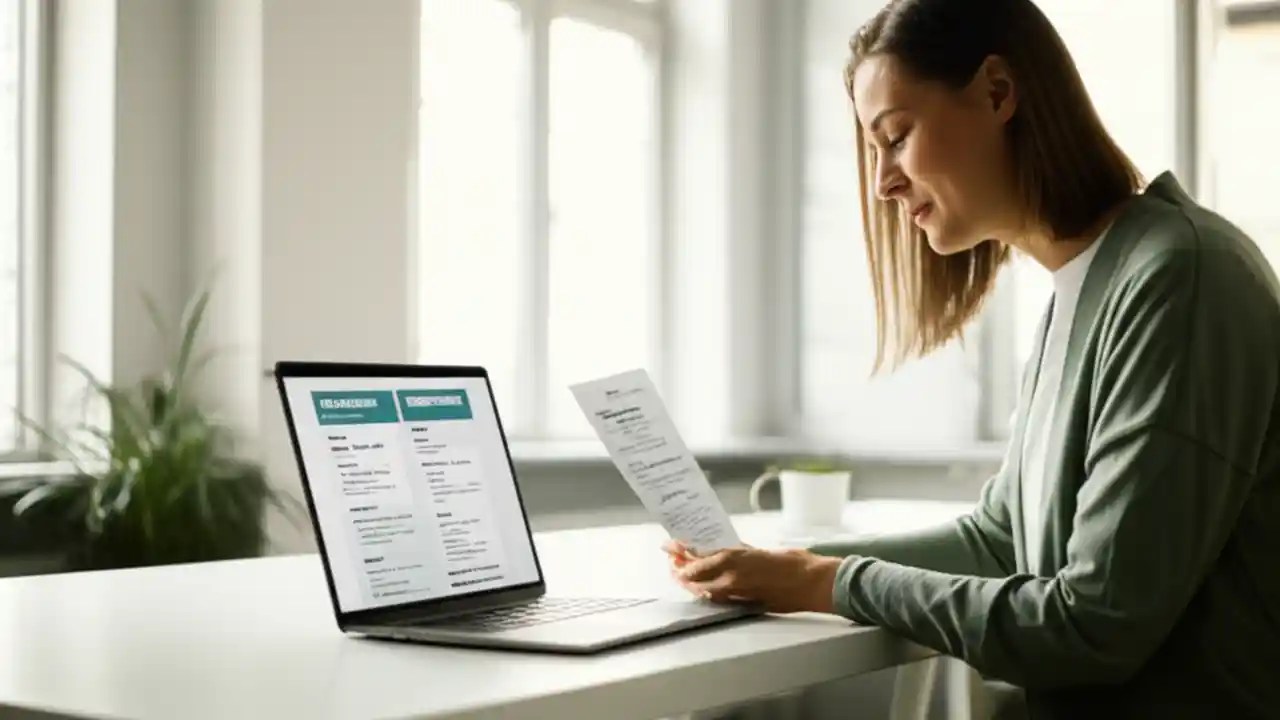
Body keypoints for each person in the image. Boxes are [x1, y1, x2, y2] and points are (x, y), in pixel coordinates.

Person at [663, 0, 1280, 716]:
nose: (882, 183)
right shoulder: (1081, 291)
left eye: (894, 137)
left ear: (997, 92)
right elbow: (999, 540)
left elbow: (1094, 624)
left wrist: (829, 582)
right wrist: (787, 568)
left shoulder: (1180, 278)